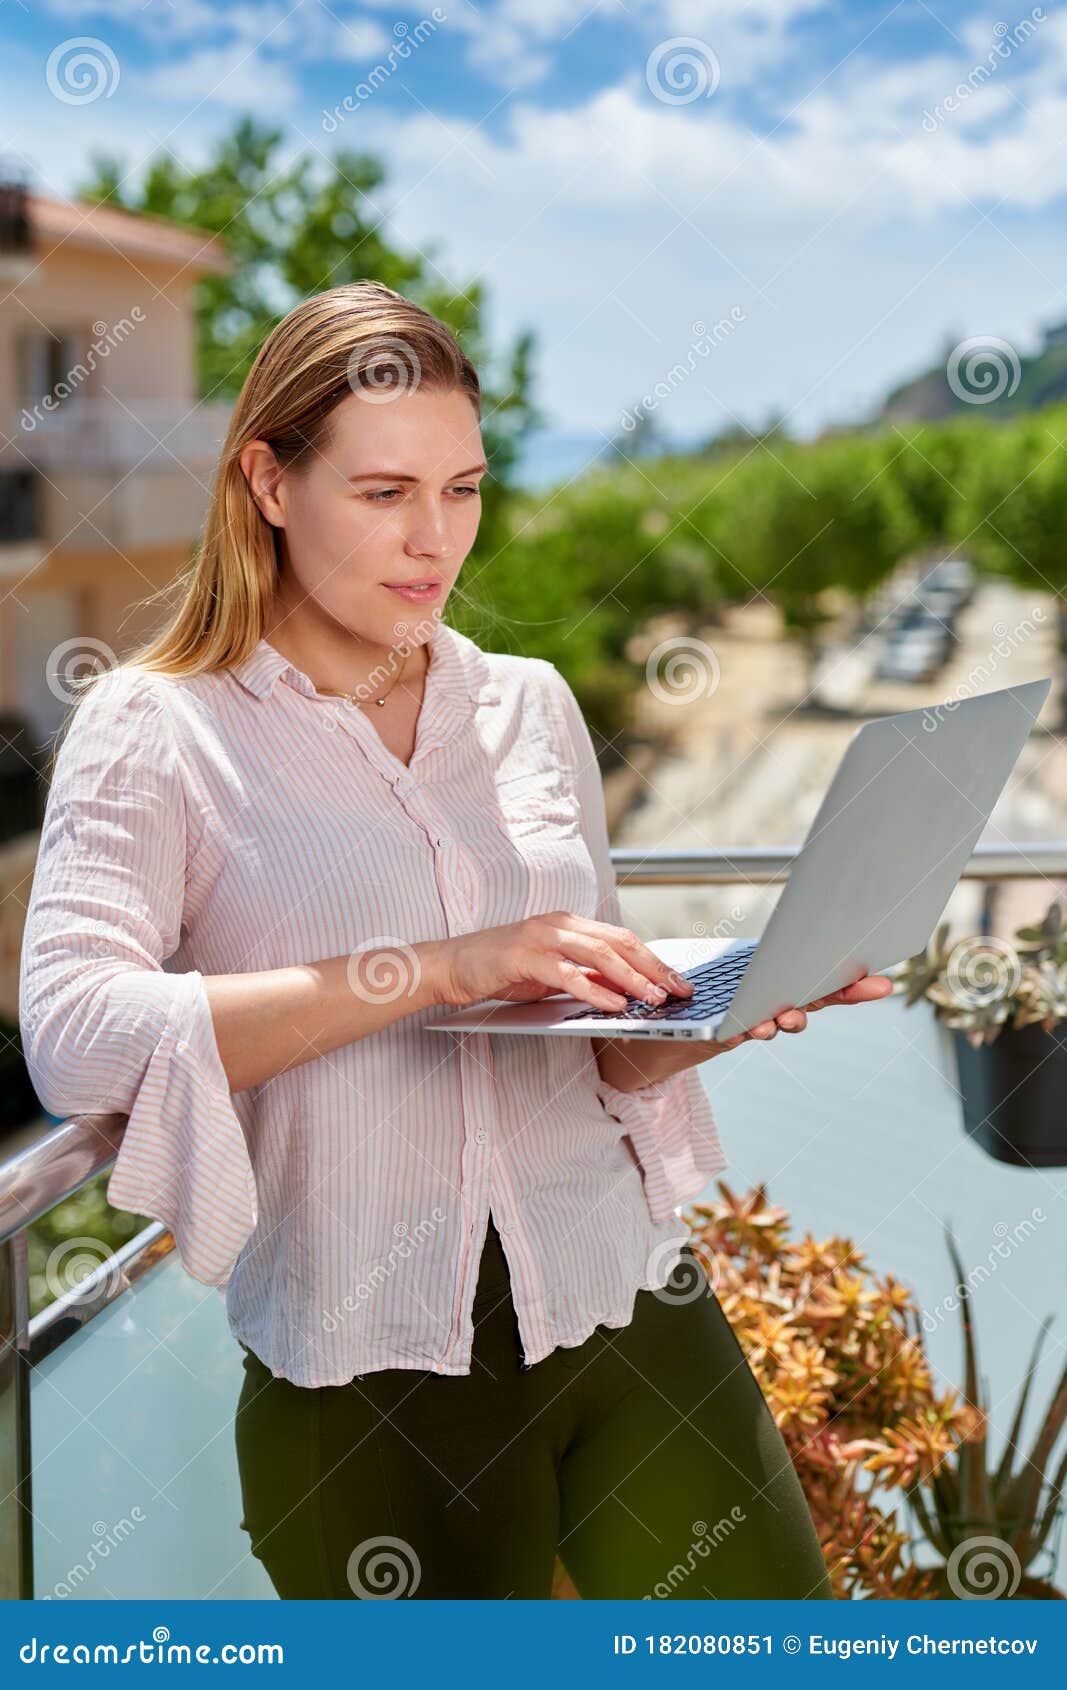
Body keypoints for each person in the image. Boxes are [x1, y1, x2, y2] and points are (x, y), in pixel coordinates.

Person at [19, 280, 892, 1600]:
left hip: (627, 1298)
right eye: (383, 494)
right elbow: (75, 1036)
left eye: (466, 488)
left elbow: (588, 1051)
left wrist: (682, 1023)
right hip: (370, 1379)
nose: (437, 541)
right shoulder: (160, 728)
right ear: (268, 480)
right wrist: (443, 964)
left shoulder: (531, 707)